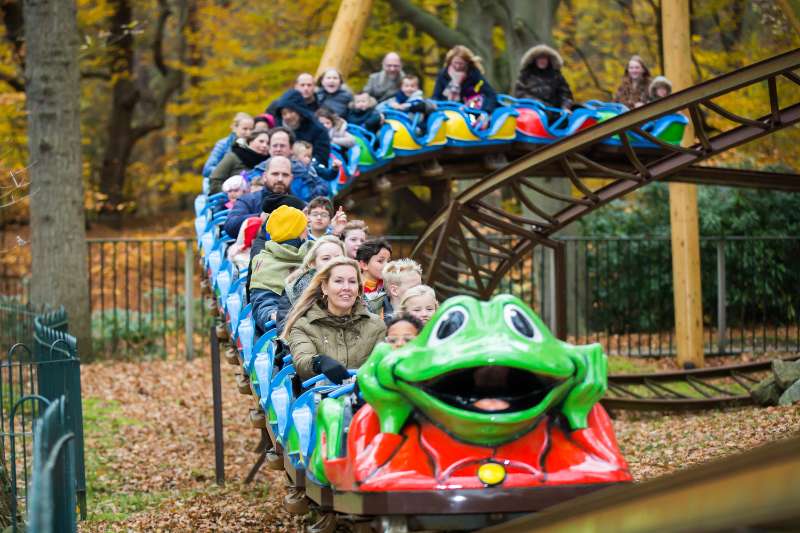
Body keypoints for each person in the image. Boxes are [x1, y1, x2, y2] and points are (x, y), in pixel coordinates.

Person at [283, 256, 386, 381]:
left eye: (352, 282)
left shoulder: (376, 325)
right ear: (324, 287)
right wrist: (319, 362)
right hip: (319, 396)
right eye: (338, 281)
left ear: (358, 289)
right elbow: (302, 362)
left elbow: (382, 367)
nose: (346, 287)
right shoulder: (303, 325)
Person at [250, 205, 313, 334]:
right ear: (298, 232)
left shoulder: (317, 253)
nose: (307, 230)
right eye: (304, 227)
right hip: (288, 331)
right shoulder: (265, 262)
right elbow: (262, 301)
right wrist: (272, 314)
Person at [223, 155, 298, 239]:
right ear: (265, 176)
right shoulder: (248, 200)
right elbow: (230, 226)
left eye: (285, 175)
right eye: (275, 174)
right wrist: (259, 217)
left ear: (291, 178)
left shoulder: (300, 205)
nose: (280, 179)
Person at [250, 127, 330, 202]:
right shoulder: (257, 172)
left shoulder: (304, 172)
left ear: (291, 149)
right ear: (269, 148)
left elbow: (323, 189)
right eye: (275, 145)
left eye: (282, 146)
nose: (278, 149)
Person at [433, 45, 497, 113]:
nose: (457, 66)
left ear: (467, 63)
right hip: (445, 110)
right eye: (455, 63)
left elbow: (490, 94)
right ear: (450, 61)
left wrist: (485, 112)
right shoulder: (443, 74)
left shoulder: (474, 74)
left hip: (468, 111)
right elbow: (436, 96)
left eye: (461, 64)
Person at [272, 89, 331, 163]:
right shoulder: (278, 129)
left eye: (291, 111)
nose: (288, 116)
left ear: (299, 110)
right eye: (284, 113)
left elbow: (321, 158)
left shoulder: (317, 129)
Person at [285, 235, 345, 304]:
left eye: (338, 258)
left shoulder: (354, 287)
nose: (333, 262)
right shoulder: (294, 290)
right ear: (312, 263)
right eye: (326, 258)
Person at [514, 44, 574, 112]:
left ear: (549, 60)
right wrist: (536, 103)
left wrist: (565, 107)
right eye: (539, 58)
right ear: (534, 60)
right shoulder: (525, 75)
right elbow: (519, 94)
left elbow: (565, 94)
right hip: (531, 111)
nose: (542, 61)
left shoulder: (556, 76)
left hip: (554, 112)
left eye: (545, 58)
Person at [209, 130, 269, 194]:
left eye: (268, 143)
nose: (265, 145)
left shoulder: (269, 163)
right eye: (261, 141)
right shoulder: (234, 156)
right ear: (250, 141)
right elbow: (215, 180)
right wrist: (229, 195)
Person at [202, 112, 254, 178]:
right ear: (235, 128)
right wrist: (228, 173)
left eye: (251, 129)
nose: (248, 133)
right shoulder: (223, 144)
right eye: (245, 129)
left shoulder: (253, 146)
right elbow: (207, 170)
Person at [355, 239, 392, 315]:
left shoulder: (390, 286)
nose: (387, 265)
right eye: (380, 261)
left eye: (388, 261)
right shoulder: (354, 288)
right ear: (364, 265)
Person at [381, 258, 423, 322]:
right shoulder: (377, 317)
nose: (421, 291)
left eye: (420, 286)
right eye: (413, 288)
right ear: (394, 290)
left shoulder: (429, 312)